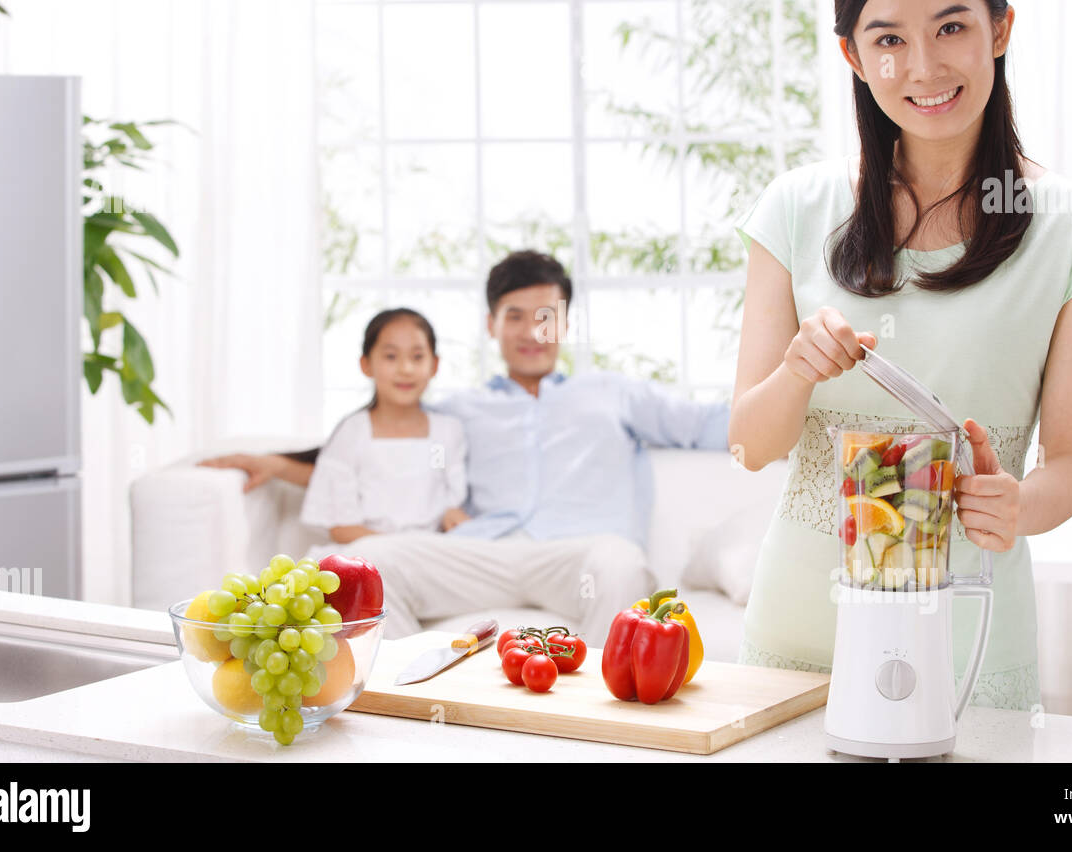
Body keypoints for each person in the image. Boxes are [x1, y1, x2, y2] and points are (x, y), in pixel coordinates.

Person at [727, 0, 1072, 711]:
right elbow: (750, 446)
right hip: (797, 631)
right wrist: (793, 373)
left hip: (966, 627)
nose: (923, 67)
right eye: (888, 40)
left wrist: (1019, 504)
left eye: (951, 27)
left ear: (999, 29)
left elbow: (1067, 465)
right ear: (853, 55)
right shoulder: (794, 209)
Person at [201, 250, 729, 645]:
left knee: (621, 564)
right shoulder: (458, 410)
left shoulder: (616, 394)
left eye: (545, 317)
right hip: (483, 552)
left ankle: (587, 722)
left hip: (581, 556)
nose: (531, 331)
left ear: (565, 323)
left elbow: (709, 424)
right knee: (370, 560)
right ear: (491, 325)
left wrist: (801, 401)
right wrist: (274, 462)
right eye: (514, 316)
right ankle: (412, 708)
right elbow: (375, 440)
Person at [298, 308, 469, 545]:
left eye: (417, 357)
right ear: (366, 364)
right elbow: (342, 528)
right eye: (391, 357)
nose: (406, 369)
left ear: (434, 365)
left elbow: (438, 479)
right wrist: (400, 549)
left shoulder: (442, 435)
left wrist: (450, 512)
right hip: (368, 554)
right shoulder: (352, 434)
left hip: (430, 555)